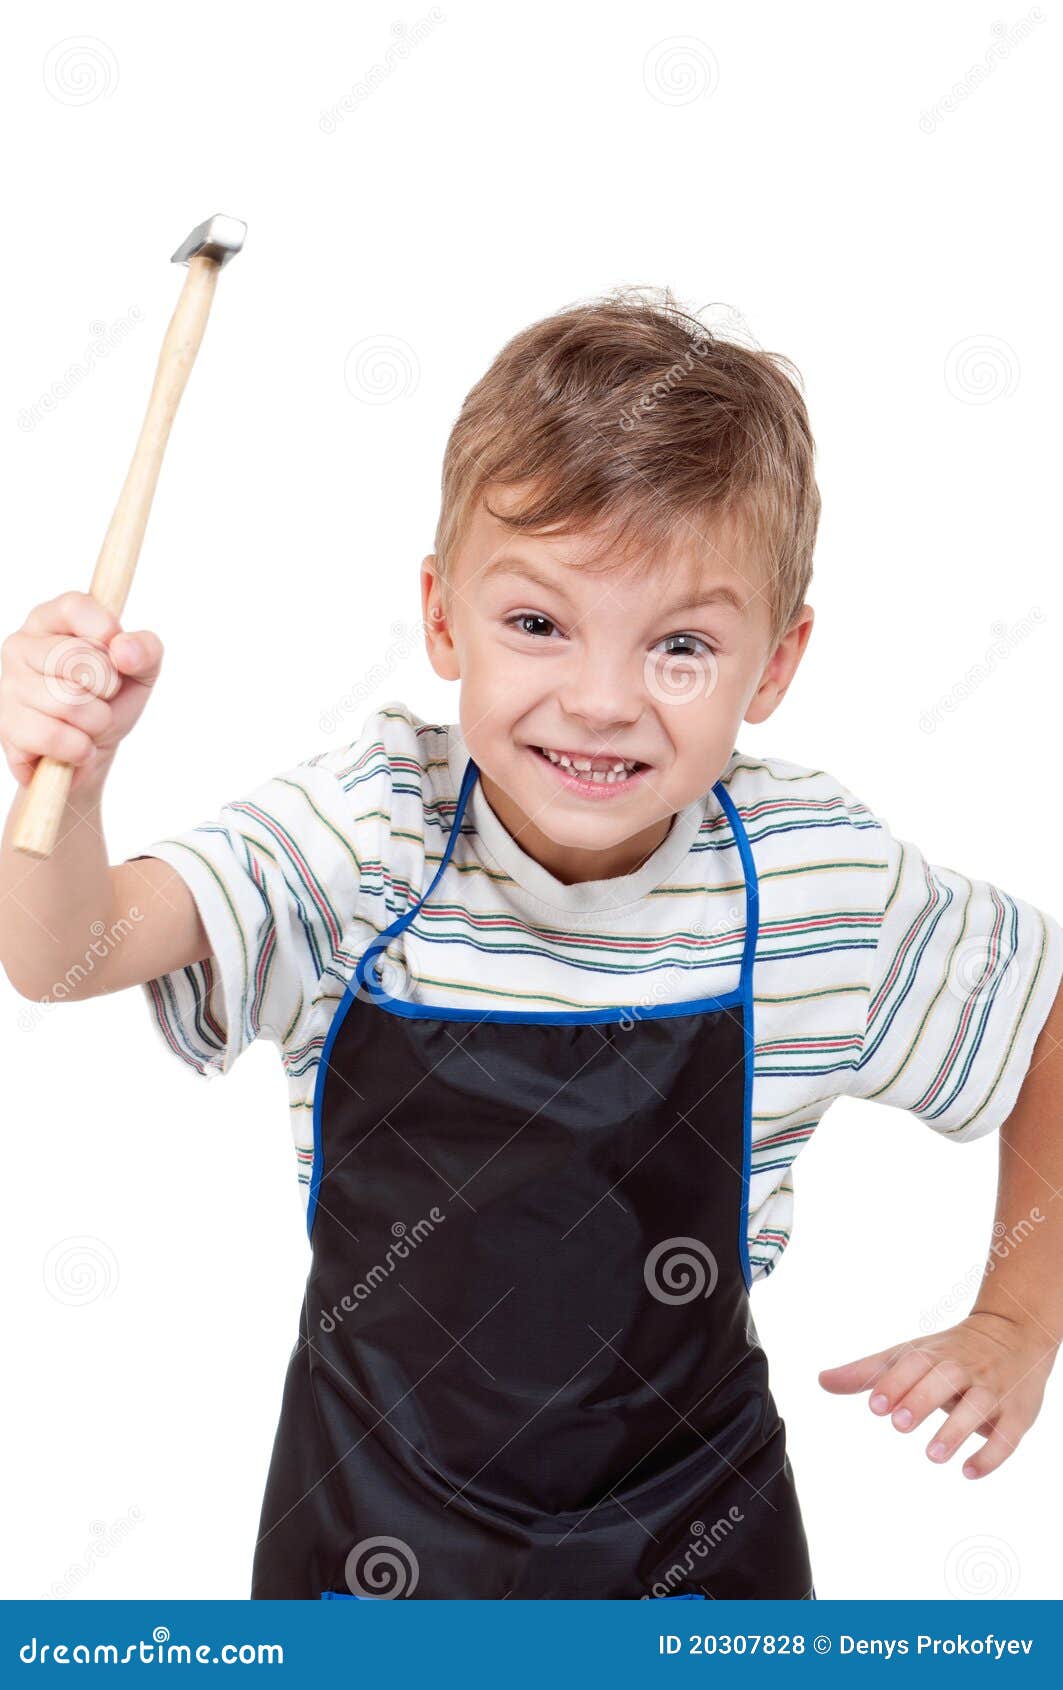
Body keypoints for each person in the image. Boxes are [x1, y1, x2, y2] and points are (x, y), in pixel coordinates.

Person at [1, 289, 1060, 1601]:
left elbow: (1045, 1013)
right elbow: (66, 953)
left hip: (697, 1565)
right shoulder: (368, 828)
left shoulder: (810, 876)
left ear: (774, 666)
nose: (602, 699)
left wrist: (1020, 1318)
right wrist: (69, 782)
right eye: (539, 623)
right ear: (444, 618)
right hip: (369, 1561)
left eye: (681, 644)